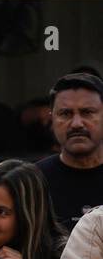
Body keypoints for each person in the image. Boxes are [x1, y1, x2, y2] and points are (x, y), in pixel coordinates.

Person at [36, 72, 103, 229]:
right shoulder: (33, 182)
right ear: (51, 119)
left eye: (87, 112)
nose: (76, 123)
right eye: (65, 114)